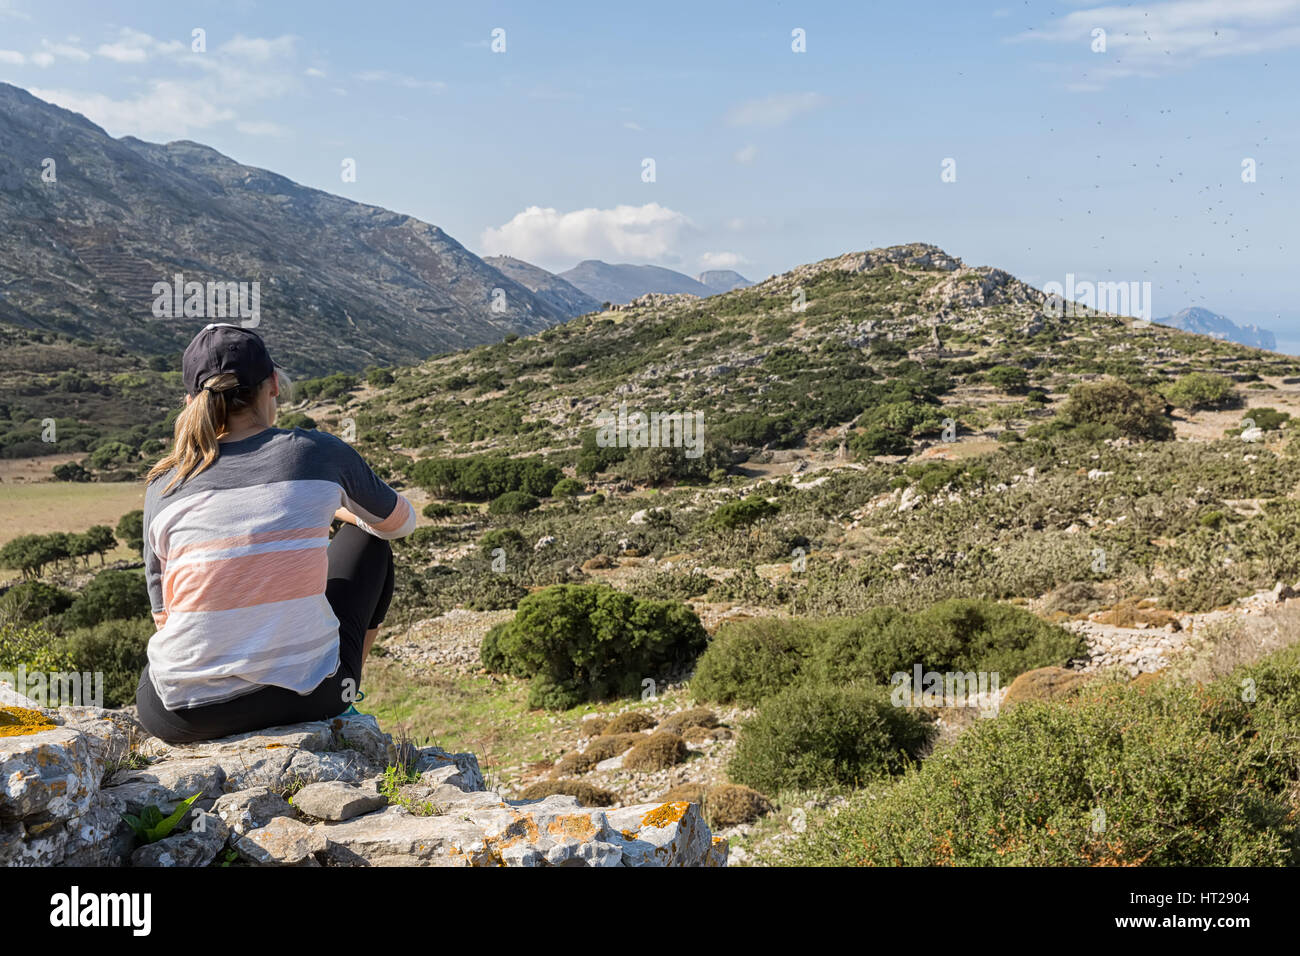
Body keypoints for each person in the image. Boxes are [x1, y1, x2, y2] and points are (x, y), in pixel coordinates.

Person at [133, 323, 415, 743]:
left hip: (184, 717)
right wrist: (333, 509)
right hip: (310, 698)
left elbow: (164, 616)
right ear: (274, 385)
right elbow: (400, 523)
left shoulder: (164, 484)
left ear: (190, 401)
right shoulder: (317, 452)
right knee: (370, 540)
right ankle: (347, 697)